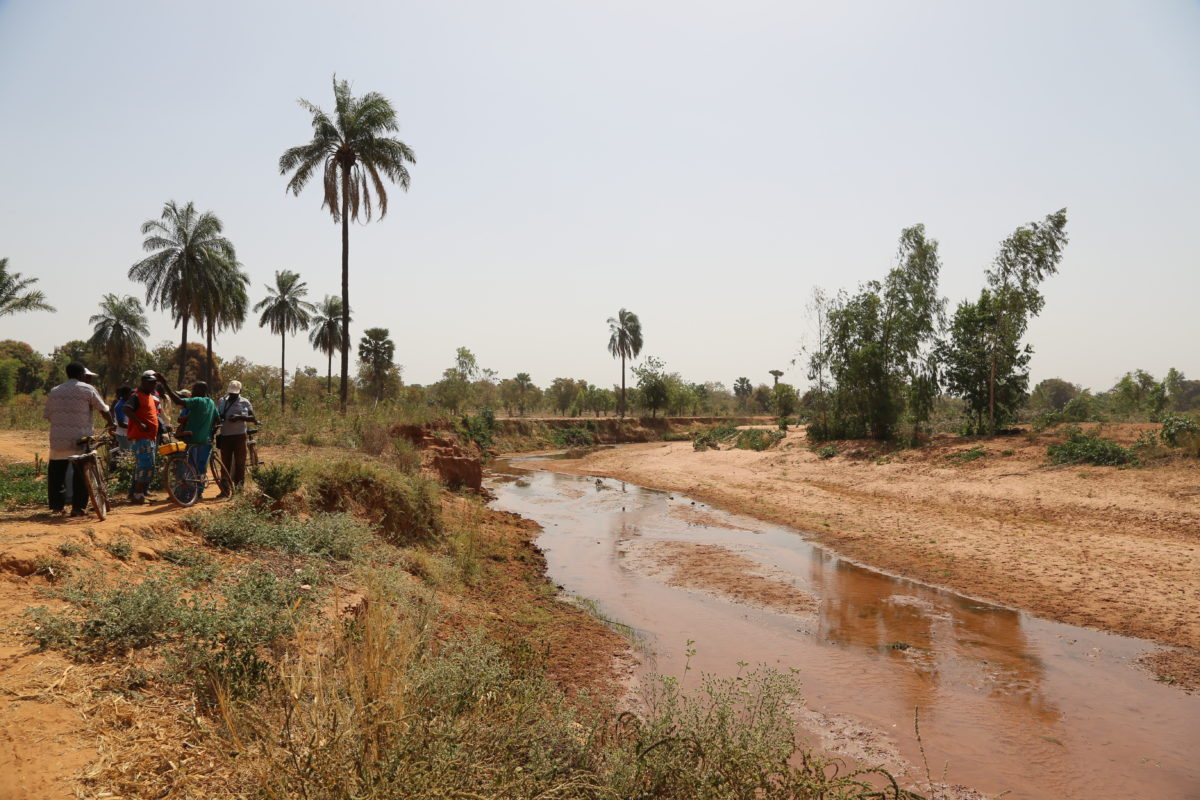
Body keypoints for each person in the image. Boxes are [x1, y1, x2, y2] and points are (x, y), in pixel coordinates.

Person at [43, 363, 114, 517]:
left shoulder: (55, 391)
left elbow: (48, 415)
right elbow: (103, 409)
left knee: (56, 474)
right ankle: (78, 508)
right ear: (82, 374)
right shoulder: (87, 389)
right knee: (82, 475)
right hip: (80, 440)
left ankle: (57, 507)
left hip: (58, 440)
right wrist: (111, 423)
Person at [155, 374, 217, 489]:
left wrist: (165, 384)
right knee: (200, 467)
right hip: (204, 440)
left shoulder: (198, 400)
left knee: (188, 467)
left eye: (194, 389)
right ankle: (198, 492)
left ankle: (187, 492)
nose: (193, 391)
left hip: (192, 439)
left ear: (200, 390)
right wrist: (207, 429)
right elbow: (217, 420)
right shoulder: (211, 403)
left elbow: (178, 401)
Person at [124, 370, 161, 504]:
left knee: (146, 465)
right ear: (143, 383)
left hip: (149, 437)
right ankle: (138, 494)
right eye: (151, 383)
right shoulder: (136, 396)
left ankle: (138, 493)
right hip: (141, 437)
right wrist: (140, 424)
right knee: (145, 465)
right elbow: (126, 409)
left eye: (154, 384)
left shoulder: (149, 396)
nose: (153, 386)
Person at [215, 380, 257, 495]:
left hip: (239, 436)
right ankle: (225, 490)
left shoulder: (245, 402)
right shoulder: (222, 401)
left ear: (240, 391)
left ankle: (239, 490)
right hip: (225, 436)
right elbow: (217, 416)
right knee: (225, 464)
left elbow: (252, 417)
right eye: (231, 392)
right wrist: (220, 417)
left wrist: (239, 417)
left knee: (240, 463)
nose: (233, 395)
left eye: (235, 393)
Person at [112, 386, 133, 451]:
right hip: (123, 435)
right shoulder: (120, 405)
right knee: (126, 456)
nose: (131, 396)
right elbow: (121, 424)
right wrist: (134, 427)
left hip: (128, 433)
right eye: (129, 394)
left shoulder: (127, 403)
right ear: (124, 394)